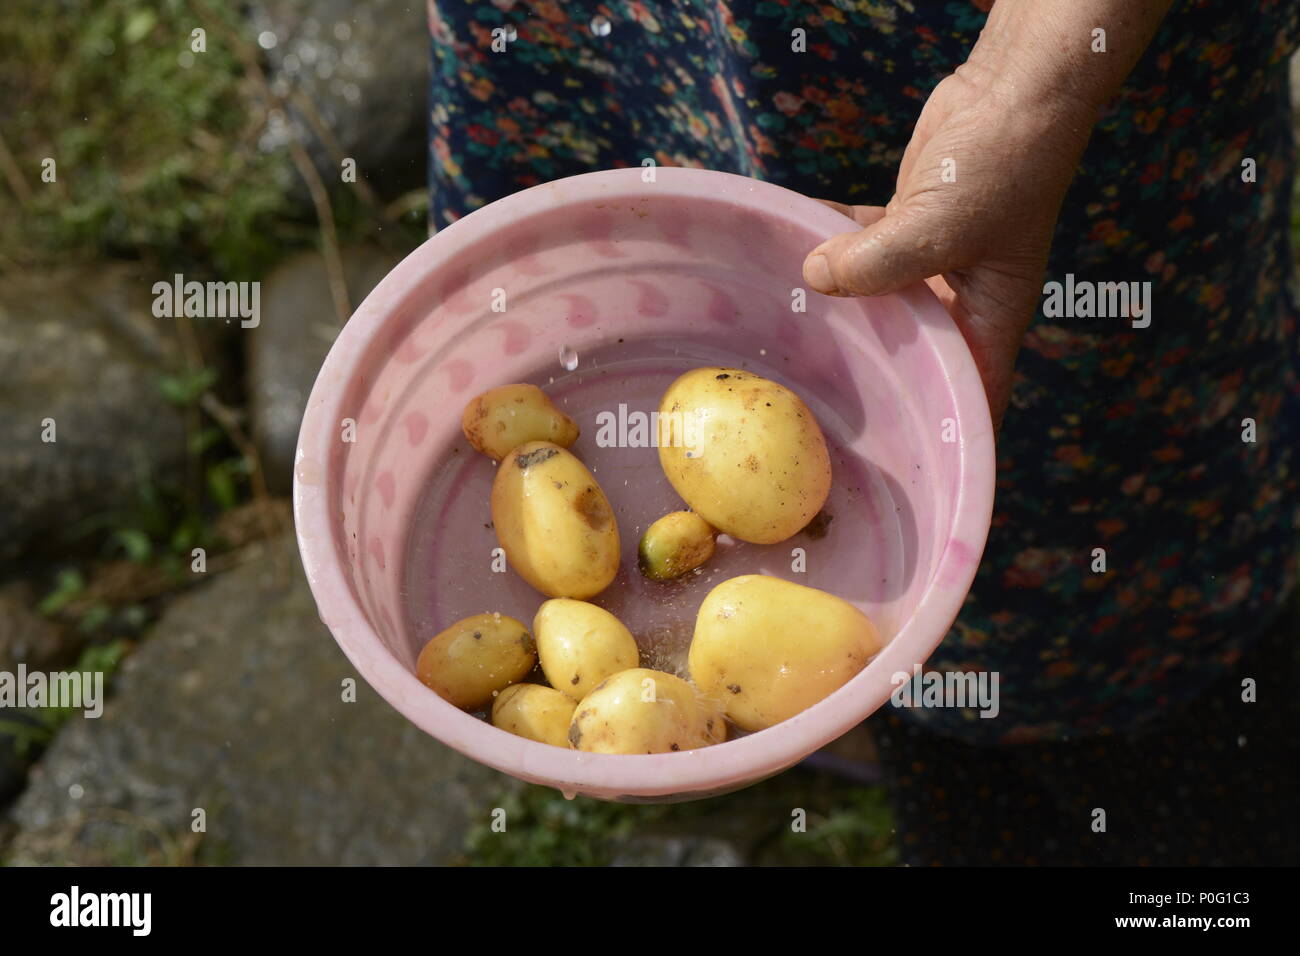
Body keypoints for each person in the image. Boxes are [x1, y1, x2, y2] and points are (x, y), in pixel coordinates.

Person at [427, 0, 1299, 864]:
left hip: (1030, 65)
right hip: (634, 46)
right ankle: (929, 757)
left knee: (1104, 575)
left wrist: (1019, 90)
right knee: (921, 715)